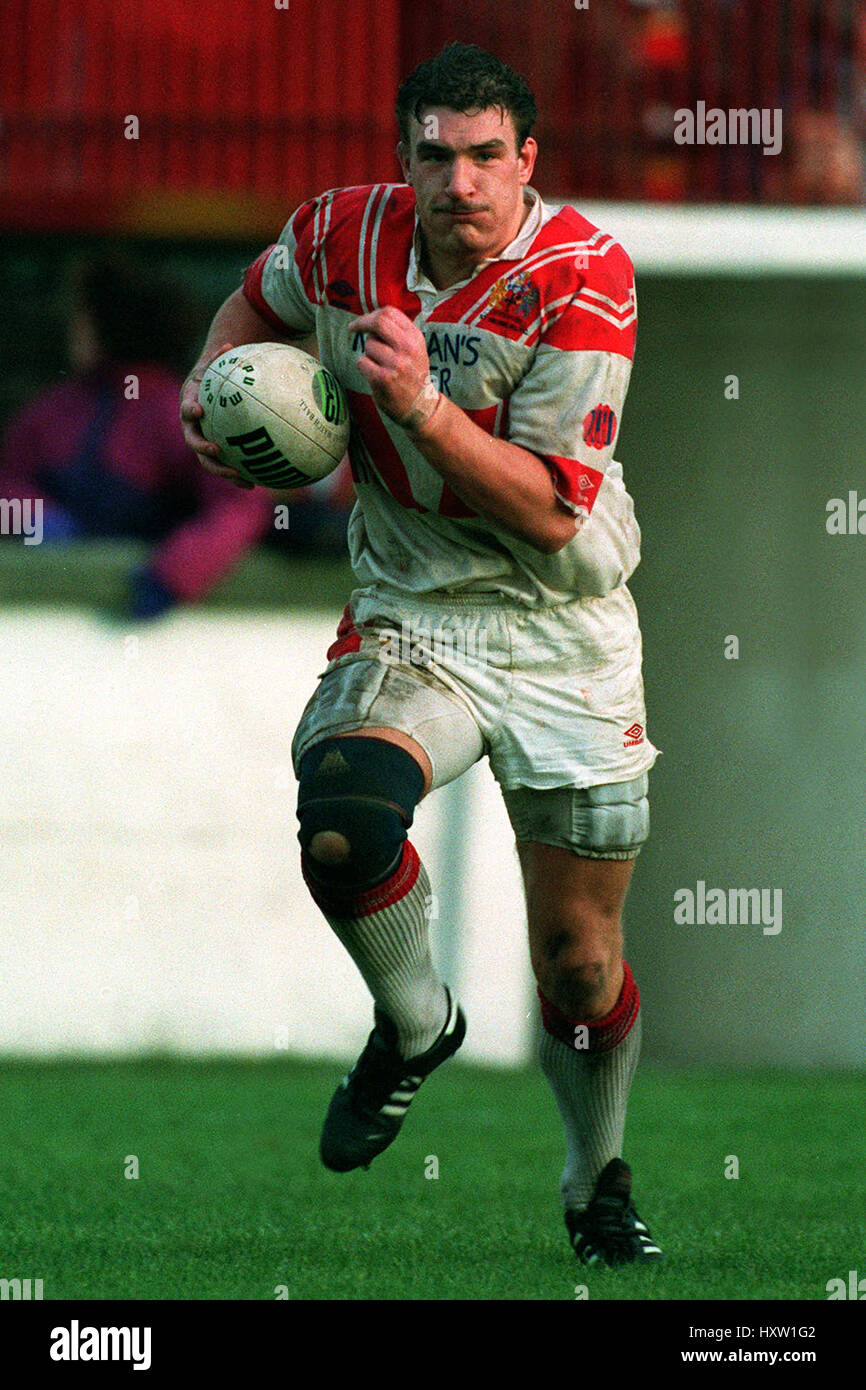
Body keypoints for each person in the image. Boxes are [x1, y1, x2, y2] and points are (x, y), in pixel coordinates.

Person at [181, 42, 662, 1268]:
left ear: (526, 162)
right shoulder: (340, 235)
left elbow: (554, 509)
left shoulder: (581, 277)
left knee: (577, 958)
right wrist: (212, 384)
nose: (461, 182)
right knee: (342, 813)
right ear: (402, 160)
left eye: (487, 156)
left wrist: (419, 409)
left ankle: (594, 1173)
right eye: (436, 155)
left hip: (561, 629)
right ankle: (416, 1023)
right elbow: (256, 301)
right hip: (416, 612)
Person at [0, 256, 273, 617]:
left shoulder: (180, 415)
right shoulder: (57, 407)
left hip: (146, 616)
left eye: (83, 317)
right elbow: (7, 479)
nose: (73, 327)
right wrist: (37, 518)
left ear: (107, 325)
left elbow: (239, 506)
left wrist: (172, 574)